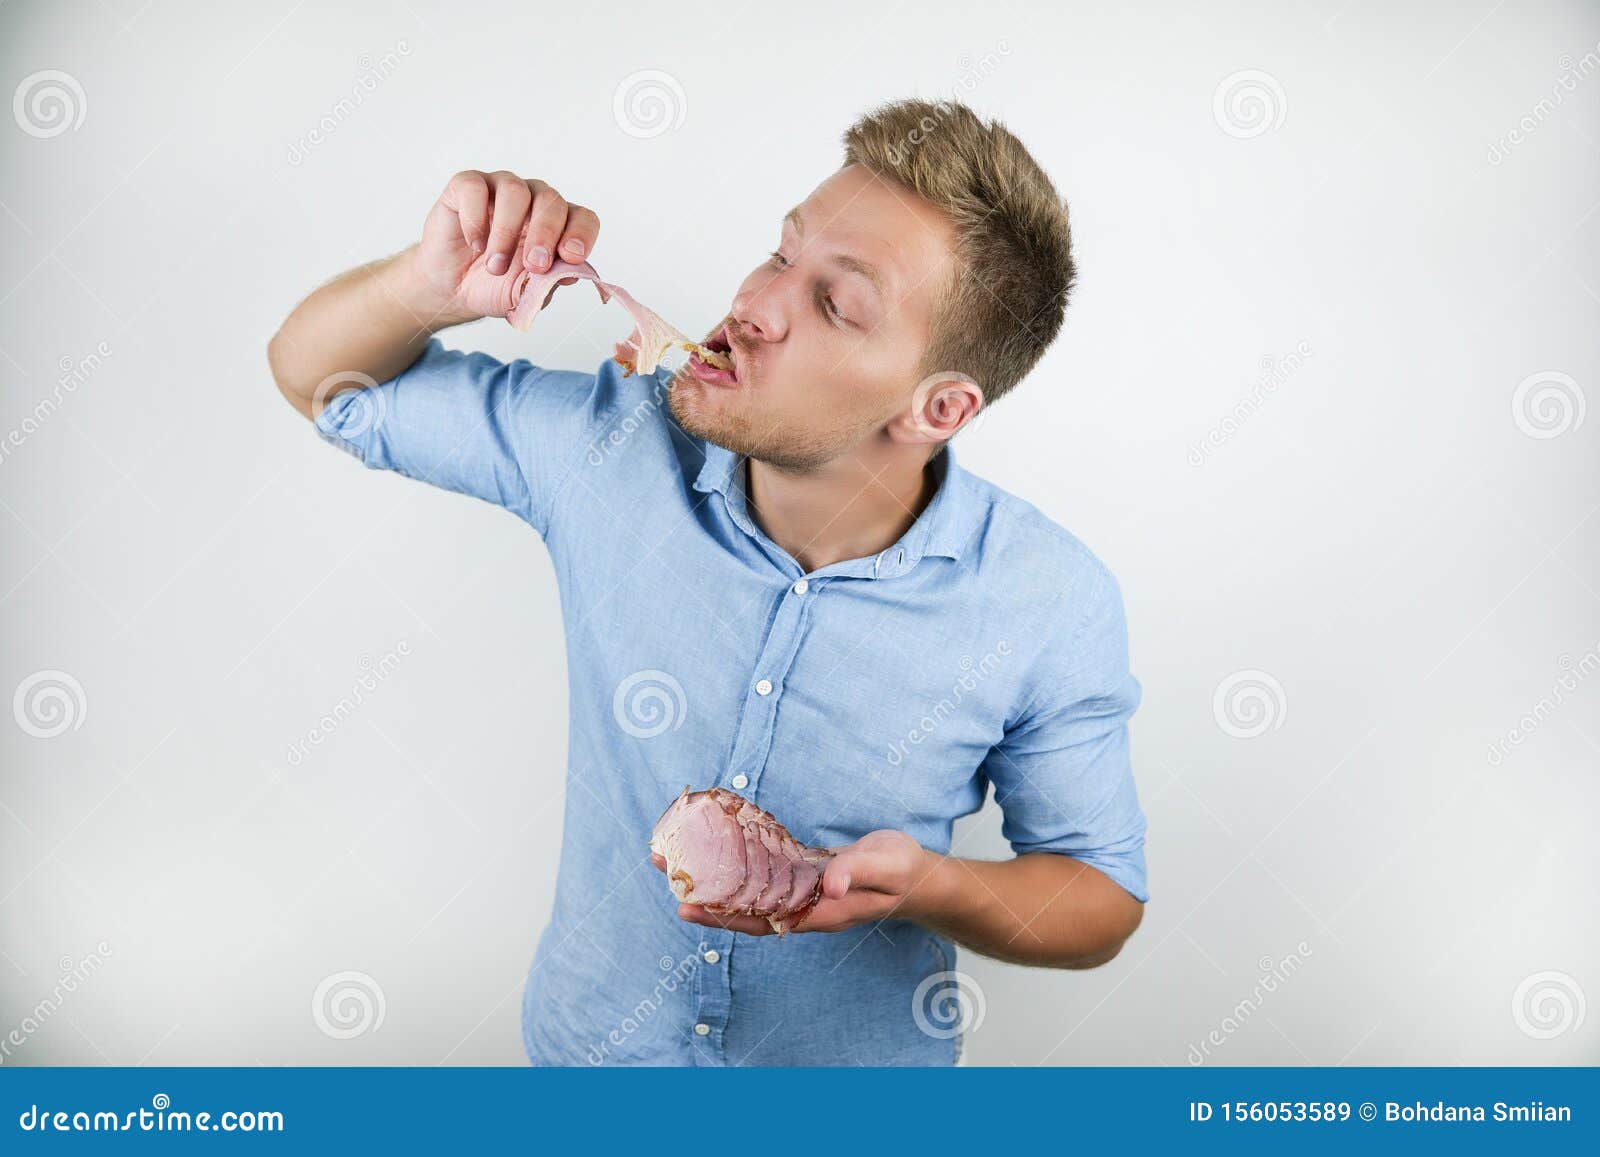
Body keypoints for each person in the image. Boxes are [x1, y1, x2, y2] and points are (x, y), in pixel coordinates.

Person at [267, 98, 1149, 1066]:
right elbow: (326, 386)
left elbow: (1098, 894)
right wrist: (426, 287)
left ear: (936, 407)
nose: (754, 306)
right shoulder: (608, 445)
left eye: (834, 303)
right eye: (780, 254)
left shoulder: (1047, 599)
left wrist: (936, 886)